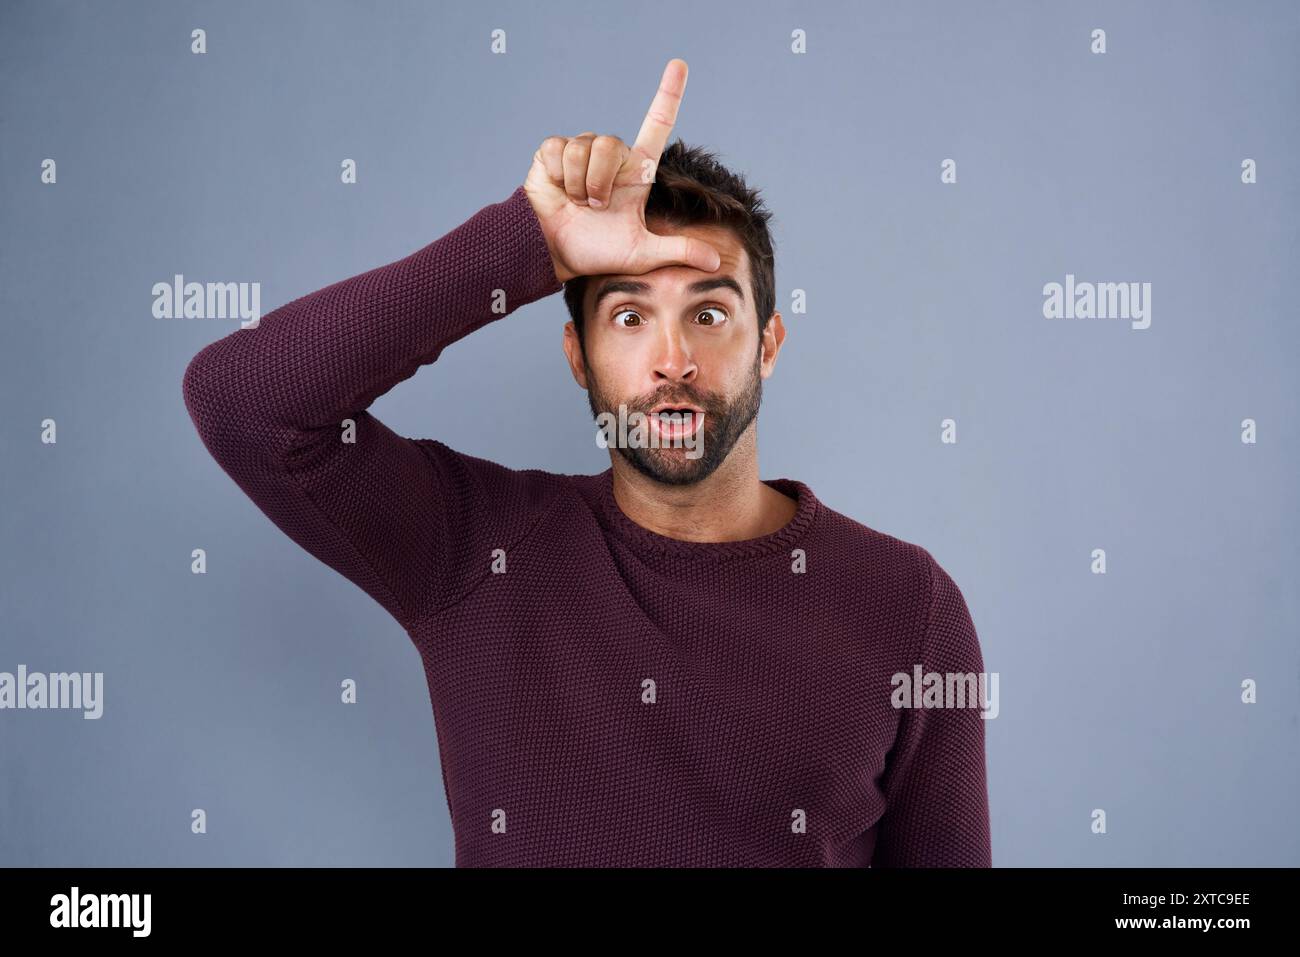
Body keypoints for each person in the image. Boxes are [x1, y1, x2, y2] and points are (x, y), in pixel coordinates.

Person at [182, 58, 991, 867]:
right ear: (578, 353)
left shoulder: (908, 609)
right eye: (630, 314)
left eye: (709, 312)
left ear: (769, 345)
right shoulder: (471, 549)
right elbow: (242, 404)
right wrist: (527, 239)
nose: (672, 358)